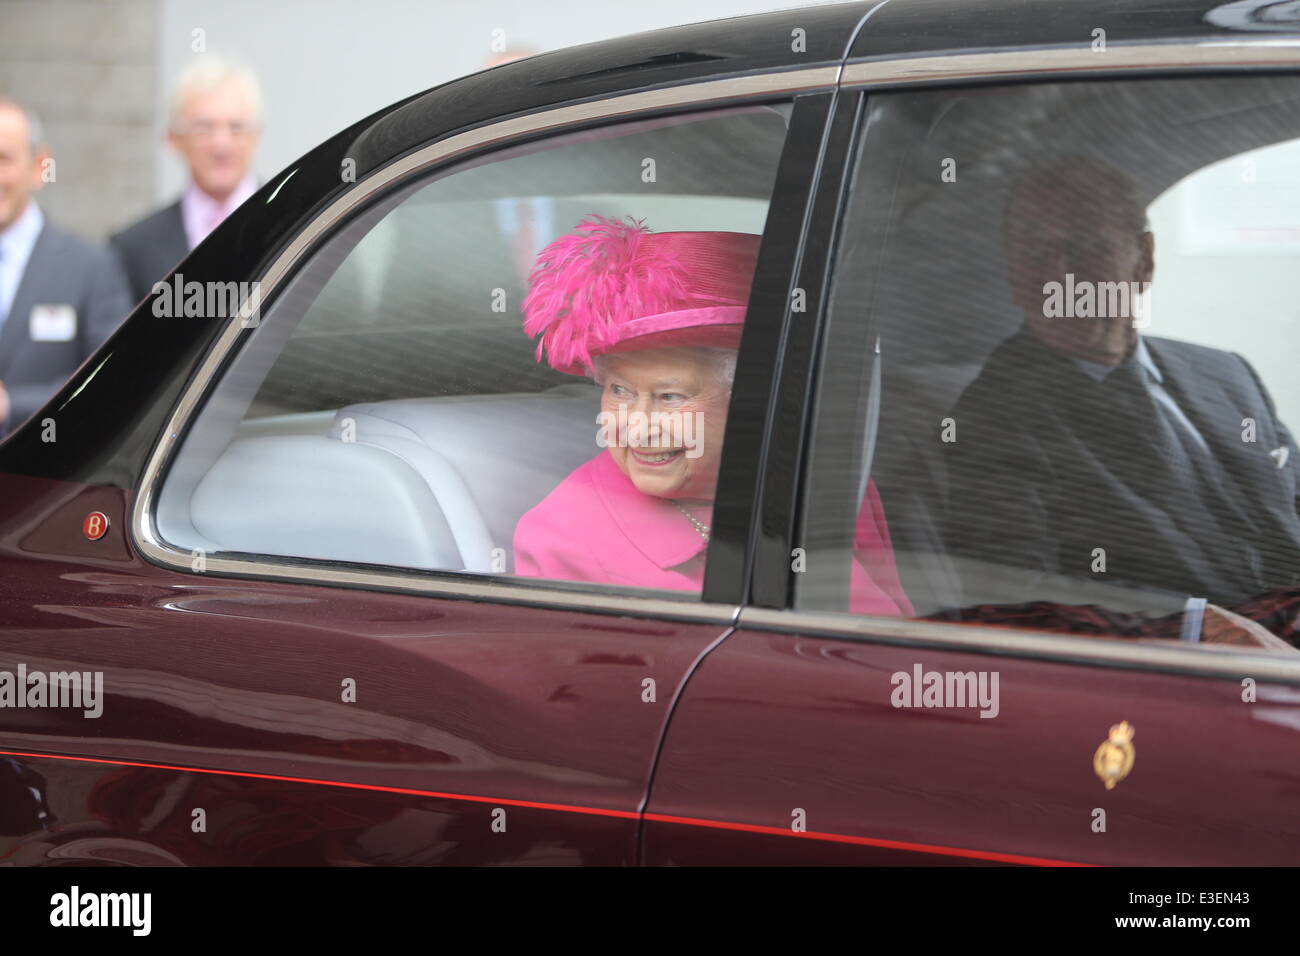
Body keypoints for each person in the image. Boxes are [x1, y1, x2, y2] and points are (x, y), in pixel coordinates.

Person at [942, 158, 1300, 614]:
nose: (1059, 272)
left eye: (1086, 246)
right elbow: (1019, 602)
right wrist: (1195, 629)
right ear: (1013, 273)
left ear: (1144, 260)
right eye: (1035, 250)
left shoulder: (1226, 373)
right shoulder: (992, 418)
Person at [512, 214, 913, 615]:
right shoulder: (563, 538)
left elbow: (900, 629)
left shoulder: (823, 481)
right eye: (620, 391)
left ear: (752, 399)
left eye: (669, 396)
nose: (637, 427)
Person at [0, 98, 132, 436]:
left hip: (45, 462)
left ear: (39, 166)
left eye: (4, 159)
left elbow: (112, 379)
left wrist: (11, 405)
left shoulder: (92, 268)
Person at [111, 55, 262, 303]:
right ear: (174, 139)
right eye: (204, 128)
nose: (221, 145)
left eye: (236, 127)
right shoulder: (133, 249)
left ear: (256, 136)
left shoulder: (297, 221)